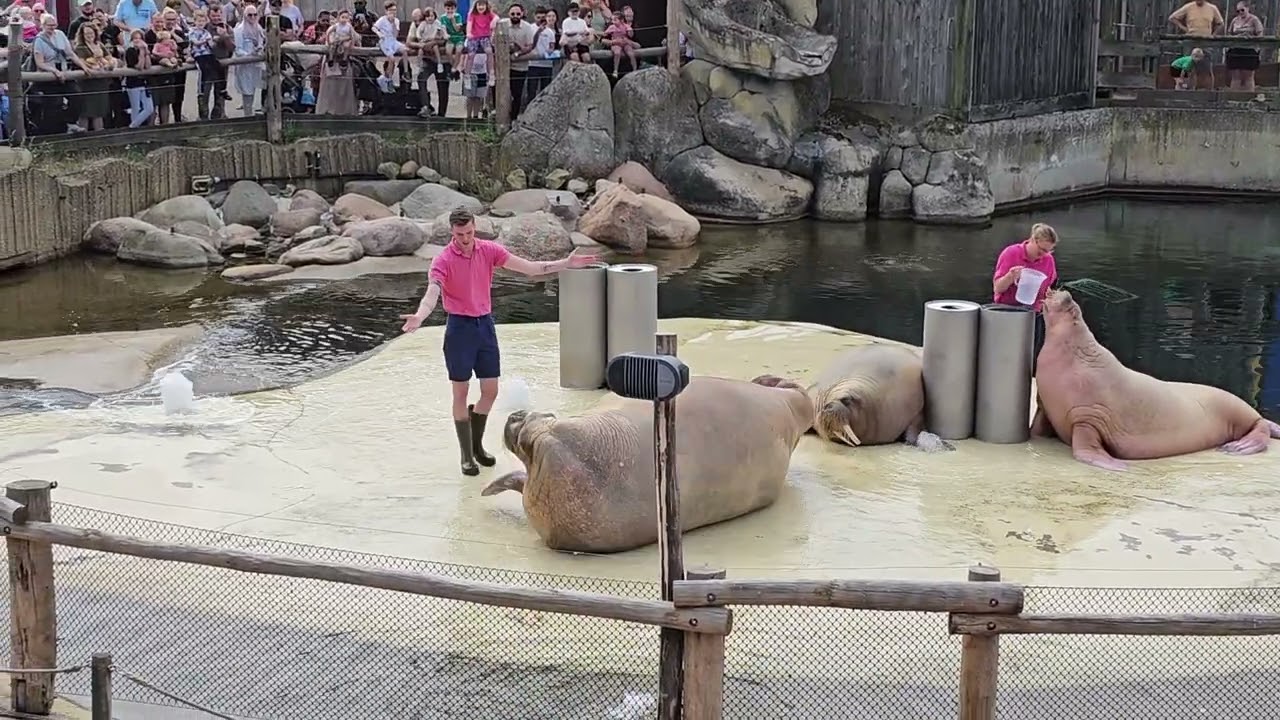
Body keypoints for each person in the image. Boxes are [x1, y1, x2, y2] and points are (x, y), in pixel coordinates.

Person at [399, 209, 600, 476]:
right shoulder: (443, 260)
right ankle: (467, 455)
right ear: (452, 232)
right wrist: (420, 316)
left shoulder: (488, 250)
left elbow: (530, 268)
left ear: (474, 227)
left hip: (485, 327)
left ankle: (477, 445)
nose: (465, 239)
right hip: (459, 329)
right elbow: (432, 293)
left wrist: (566, 263)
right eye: (460, 234)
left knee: (490, 390)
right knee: (460, 393)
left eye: (469, 232)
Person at [991, 223, 1058, 372]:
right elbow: (998, 288)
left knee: (1029, 357)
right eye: (1041, 250)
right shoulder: (1011, 253)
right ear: (1033, 240)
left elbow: (1049, 287)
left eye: (1048, 251)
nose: (1044, 254)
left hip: (1032, 313)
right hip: (1007, 311)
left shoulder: (1048, 260)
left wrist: (1049, 295)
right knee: (1005, 357)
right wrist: (1010, 276)